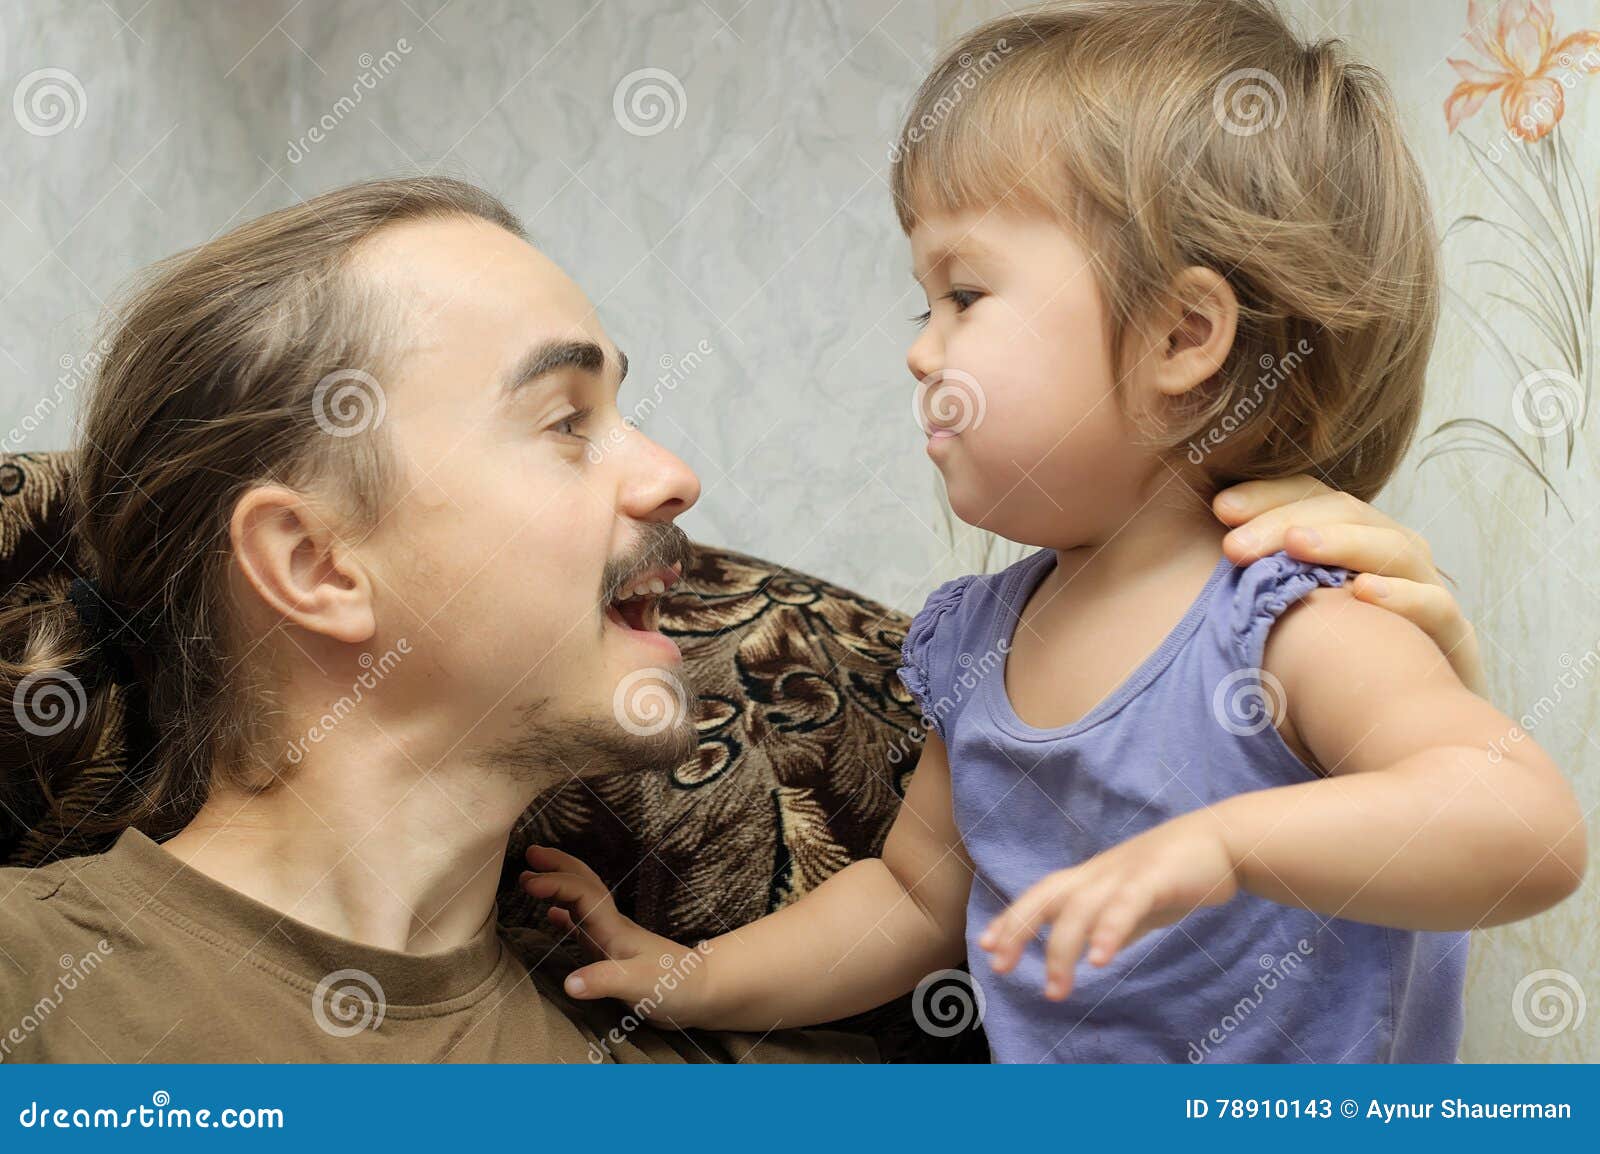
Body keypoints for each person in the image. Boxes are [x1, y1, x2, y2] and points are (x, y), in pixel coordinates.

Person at [517, 0, 1587, 1063]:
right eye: (920, 305)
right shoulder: (976, 641)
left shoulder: (1285, 612)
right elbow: (908, 897)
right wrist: (692, 975)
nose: (920, 353)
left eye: (964, 294)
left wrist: (1228, 845)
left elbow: (1523, 831)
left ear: (1182, 334)